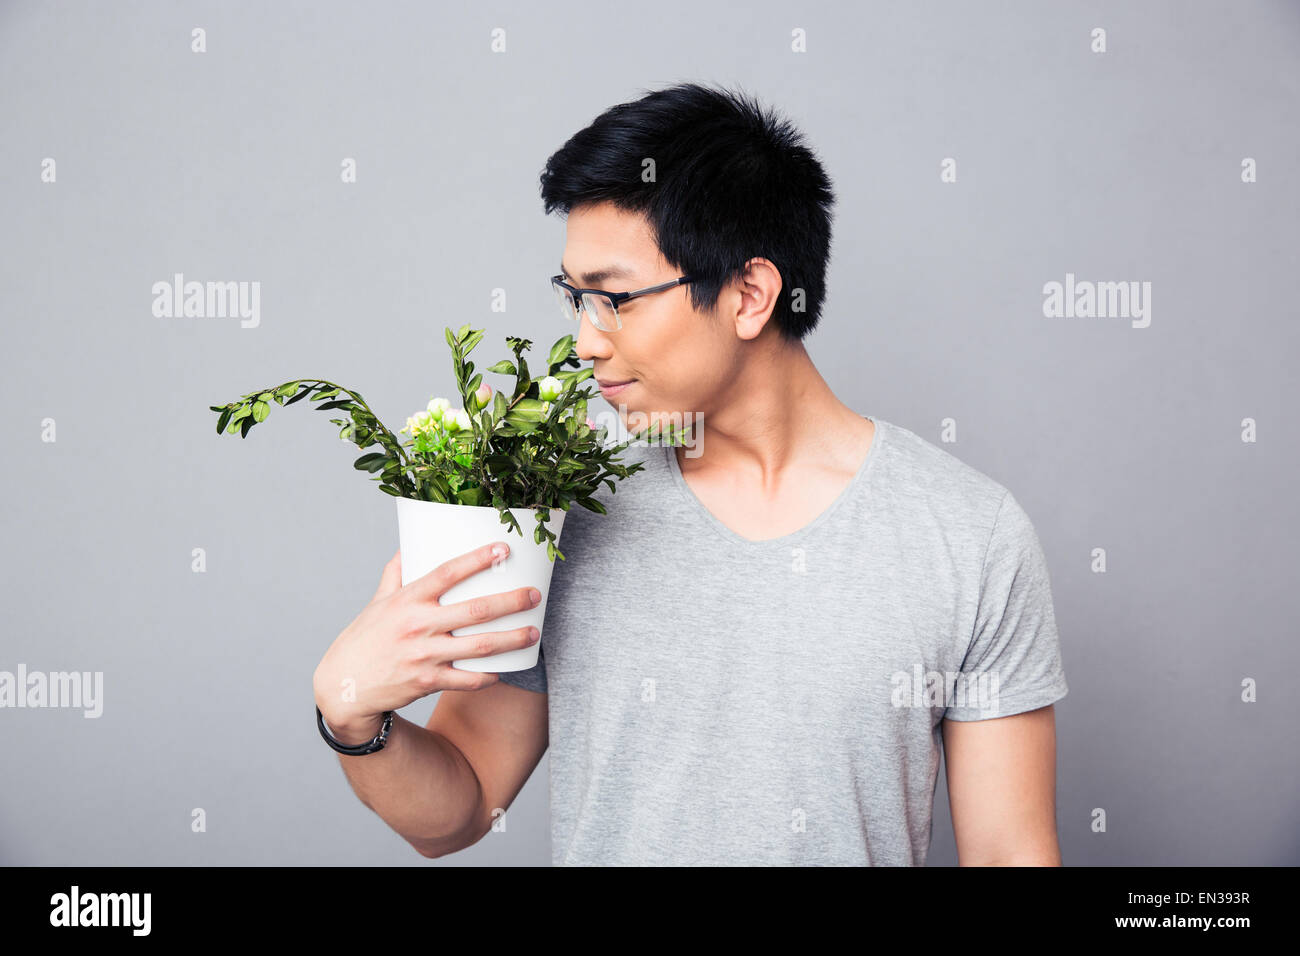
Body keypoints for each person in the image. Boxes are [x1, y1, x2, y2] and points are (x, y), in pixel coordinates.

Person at [312, 82, 1068, 865]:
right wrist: (352, 717)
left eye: (614, 299)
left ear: (749, 295)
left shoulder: (968, 536)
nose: (584, 341)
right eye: (575, 298)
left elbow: (1011, 854)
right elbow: (459, 805)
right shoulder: (562, 501)